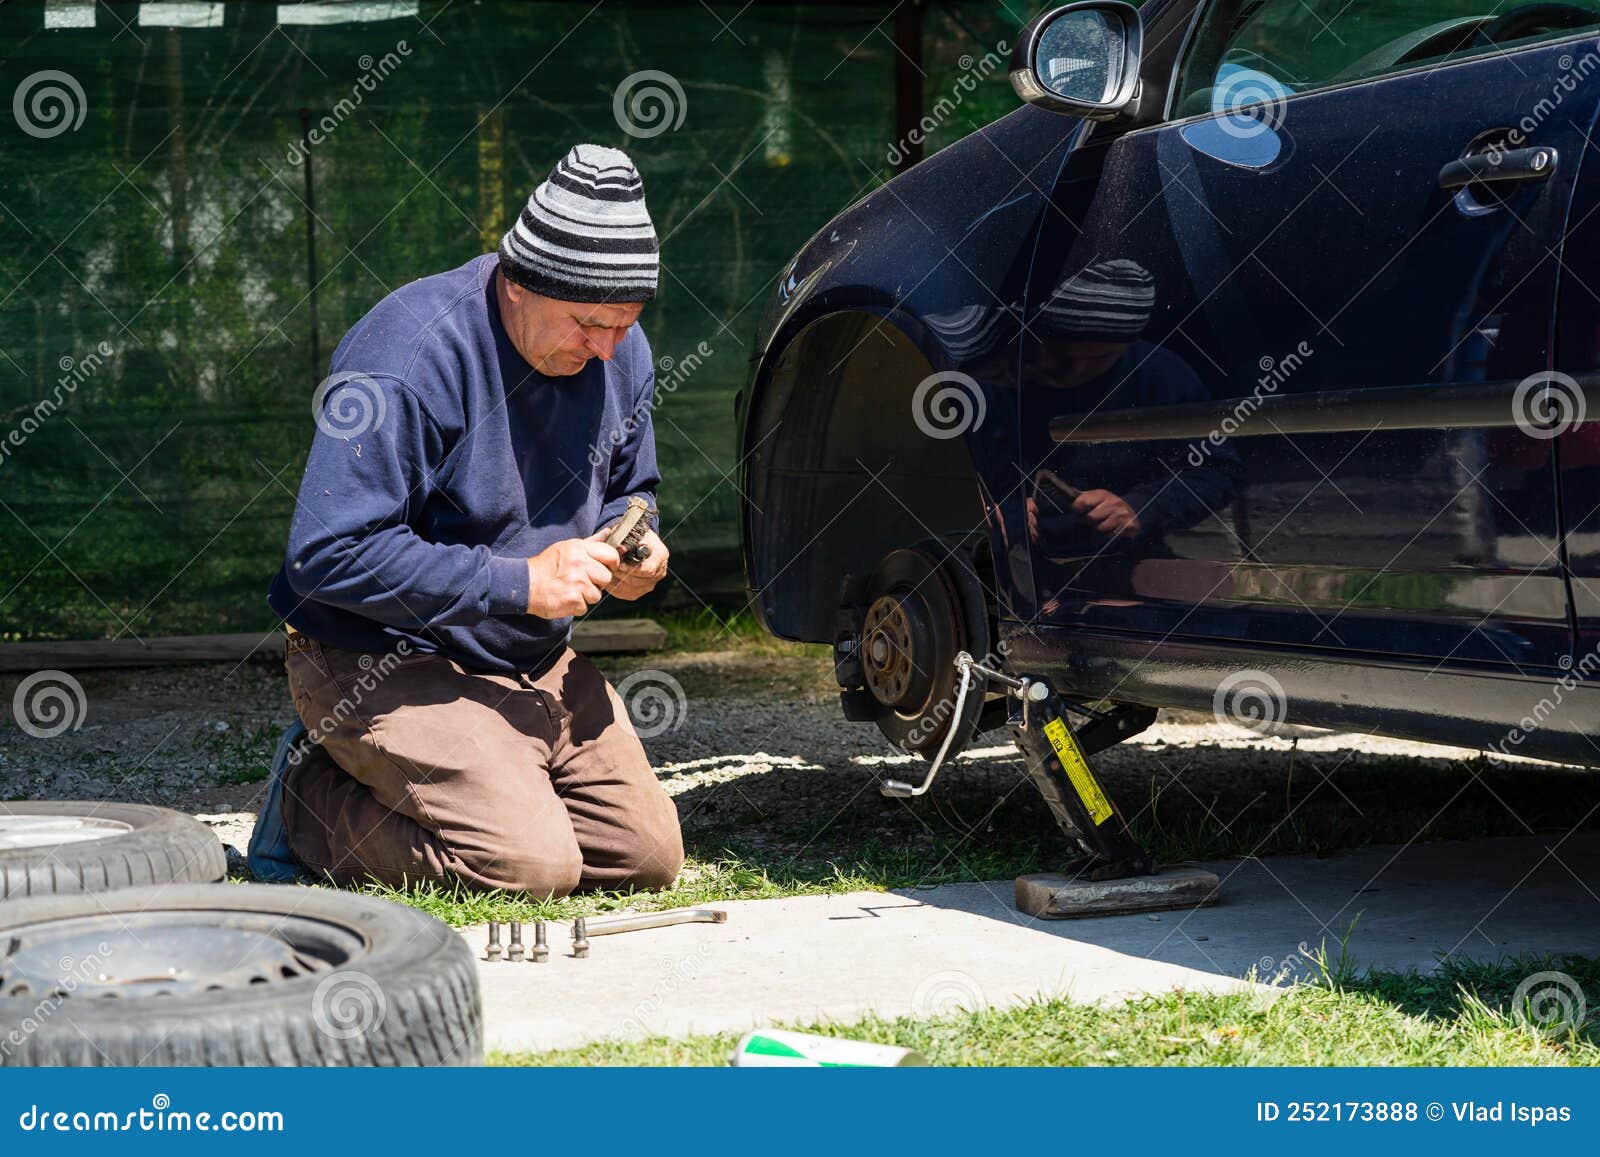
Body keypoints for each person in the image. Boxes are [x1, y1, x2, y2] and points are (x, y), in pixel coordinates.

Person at [247, 144, 683, 899]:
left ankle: (495, 780)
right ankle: (304, 799)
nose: (609, 347)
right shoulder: (410, 356)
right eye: (589, 324)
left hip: (527, 653)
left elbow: (630, 489)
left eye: (626, 322)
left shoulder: (619, 345)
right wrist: (520, 584)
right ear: (519, 284)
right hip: (380, 654)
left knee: (644, 857)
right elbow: (325, 553)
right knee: (529, 867)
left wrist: (636, 545)